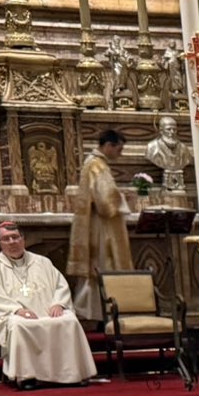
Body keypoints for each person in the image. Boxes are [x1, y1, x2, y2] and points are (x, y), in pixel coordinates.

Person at [0, 221, 96, 386]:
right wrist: (16, 310)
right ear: (0, 243)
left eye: (15, 237)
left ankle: (72, 374)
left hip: (48, 311)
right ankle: (28, 377)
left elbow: (60, 285)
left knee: (69, 320)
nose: (12, 242)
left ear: (23, 239)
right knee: (18, 325)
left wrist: (59, 303)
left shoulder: (43, 262)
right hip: (18, 315)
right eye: (6, 239)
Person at [67, 129, 133, 322]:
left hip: (97, 225)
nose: (119, 154)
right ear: (108, 145)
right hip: (103, 229)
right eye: (119, 149)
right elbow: (105, 202)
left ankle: (99, 314)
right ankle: (103, 314)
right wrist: (121, 199)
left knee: (97, 270)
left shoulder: (93, 163)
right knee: (104, 267)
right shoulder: (98, 166)